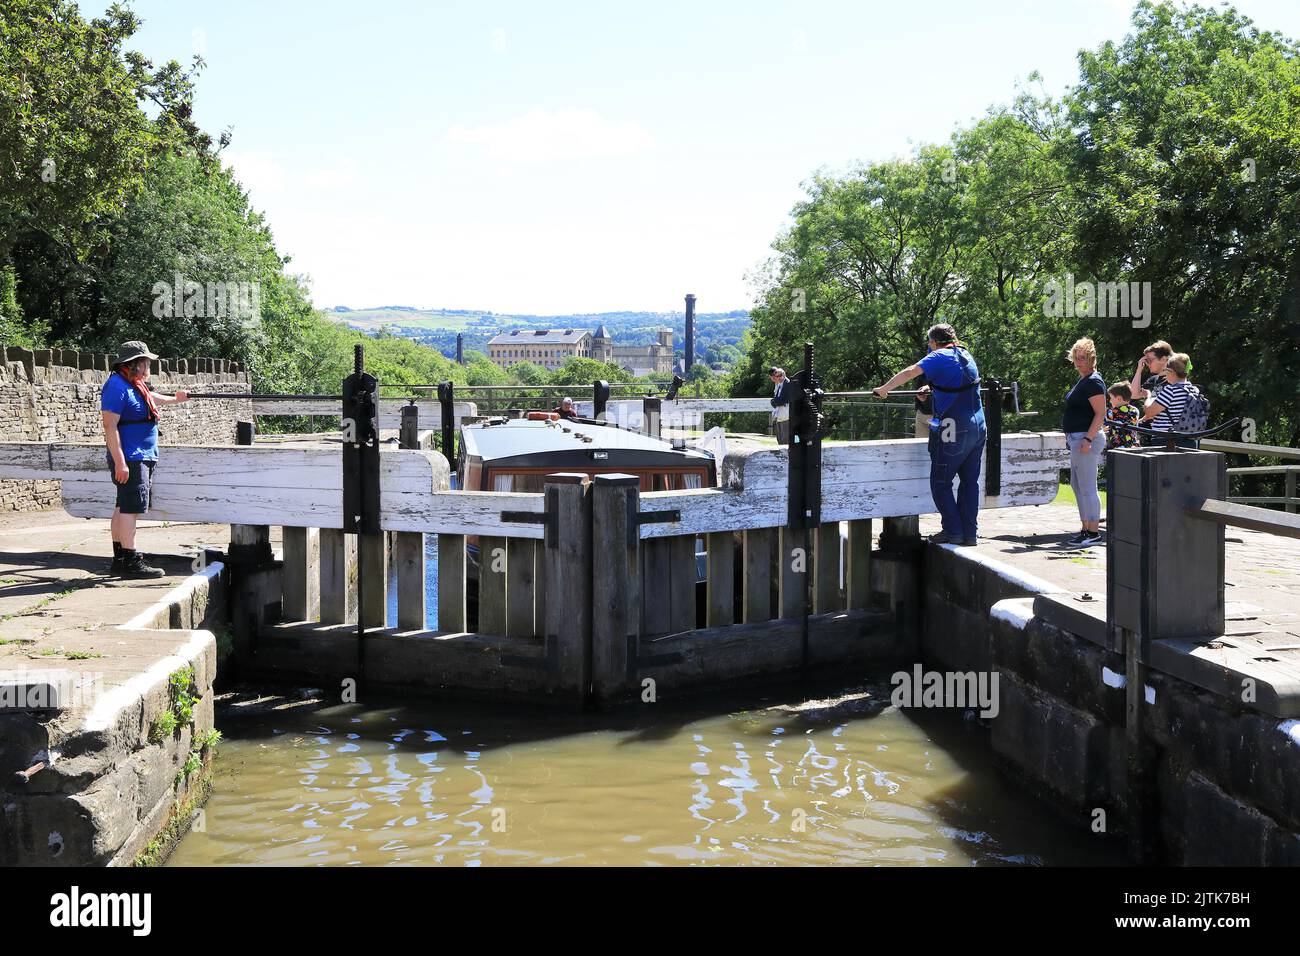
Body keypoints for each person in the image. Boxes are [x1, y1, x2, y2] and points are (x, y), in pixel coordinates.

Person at [872, 323, 985, 546]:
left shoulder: (938, 356)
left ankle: (953, 531)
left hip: (953, 427)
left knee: (940, 482)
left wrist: (885, 389)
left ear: (933, 342)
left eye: (929, 344)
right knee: (970, 481)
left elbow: (911, 371)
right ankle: (969, 534)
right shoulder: (965, 354)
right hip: (978, 426)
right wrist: (932, 390)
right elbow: (958, 385)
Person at [101, 341, 190, 577]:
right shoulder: (116, 386)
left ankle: (120, 559)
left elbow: (150, 397)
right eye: (146, 361)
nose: (149, 364)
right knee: (130, 509)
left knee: (123, 506)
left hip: (138, 457)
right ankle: (130, 560)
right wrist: (120, 461)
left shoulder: (133, 385)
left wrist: (175, 399)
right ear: (135, 364)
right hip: (131, 458)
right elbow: (110, 427)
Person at [1061, 338, 1108, 547]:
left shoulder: (1094, 381)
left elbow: (1100, 414)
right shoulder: (1084, 380)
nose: (1078, 361)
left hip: (1086, 438)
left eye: (1083, 358)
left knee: (1088, 486)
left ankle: (1093, 532)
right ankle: (1085, 528)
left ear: (1091, 359)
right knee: (1077, 484)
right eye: (1076, 357)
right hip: (1077, 438)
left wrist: (1088, 438)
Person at [1139, 352, 1199, 446]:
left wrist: (1148, 397)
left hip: (1167, 441)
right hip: (1189, 440)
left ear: (1171, 371)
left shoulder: (1170, 390)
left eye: (1166, 370)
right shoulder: (1195, 390)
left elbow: (1149, 412)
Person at [1104, 382, 1141, 450]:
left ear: (1118, 398)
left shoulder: (1111, 412)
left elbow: (1103, 423)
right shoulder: (1135, 410)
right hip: (1133, 446)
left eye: (1111, 398)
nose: (1110, 401)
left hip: (1118, 447)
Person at [769, 366, 792, 445]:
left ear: (783, 375)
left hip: (786, 416)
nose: (777, 378)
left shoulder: (787, 384)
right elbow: (776, 399)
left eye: (778, 376)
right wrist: (774, 401)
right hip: (779, 415)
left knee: (785, 439)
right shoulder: (779, 384)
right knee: (780, 440)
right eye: (776, 376)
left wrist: (774, 401)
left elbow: (782, 400)